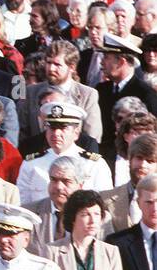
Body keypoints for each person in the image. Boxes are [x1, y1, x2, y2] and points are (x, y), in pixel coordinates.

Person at [16, 100, 112, 205]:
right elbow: (23, 203)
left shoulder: (94, 164)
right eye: (52, 128)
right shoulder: (31, 164)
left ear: (76, 133)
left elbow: (104, 204)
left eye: (63, 128)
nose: (56, 133)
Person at [19, 39, 102, 145]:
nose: (51, 68)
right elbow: (22, 132)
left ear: (72, 67)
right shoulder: (31, 92)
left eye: (57, 64)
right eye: (48, 63)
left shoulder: (87, 95)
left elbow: (92, 137)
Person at [96, 35, 157, 163]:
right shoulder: (102, 90)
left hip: (135, 157)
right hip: (105, 157)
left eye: (106, 58)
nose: (102, 62)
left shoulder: (145, 94)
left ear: (121, 62)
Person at [25, 155, 83, 254]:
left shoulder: (94, 217)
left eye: (66, 181)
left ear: (80, 186)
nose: (59, 187)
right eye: (54, 180)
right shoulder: (28, 213)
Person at [102, 132, 157, 232]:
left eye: (150, 161)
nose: (142, 165)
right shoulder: (105, 199)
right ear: (130, 160)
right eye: (139, 158)